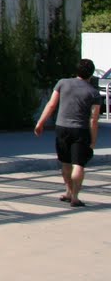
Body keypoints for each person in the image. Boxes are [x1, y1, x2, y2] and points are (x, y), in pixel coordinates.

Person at [34, 58, 103, 207]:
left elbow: (51, 104)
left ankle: (68, 192)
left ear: (76, 70)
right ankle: (75, 197)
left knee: (65, 162)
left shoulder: (62, 83)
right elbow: (94, 119)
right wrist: (93, 140)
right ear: (91, 74)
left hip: (62, 128)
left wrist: (40, 123)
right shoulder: (94, 93)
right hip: (80, 130)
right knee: (78, 164)